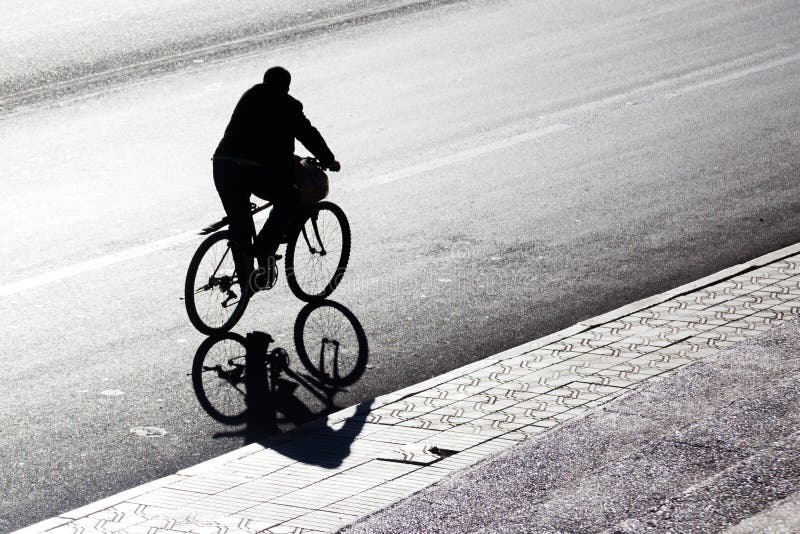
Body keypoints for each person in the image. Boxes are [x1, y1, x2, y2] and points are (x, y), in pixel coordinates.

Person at [212, 66, 340, 290]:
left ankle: (246, 282)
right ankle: (264, 248)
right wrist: (328, 160)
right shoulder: (288, 105)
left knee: (239, 221)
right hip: (251, 170)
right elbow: (308, 134)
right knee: (289, 198)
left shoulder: (250, 95)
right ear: (286, 87)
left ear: (264, 81)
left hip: (222, 165)